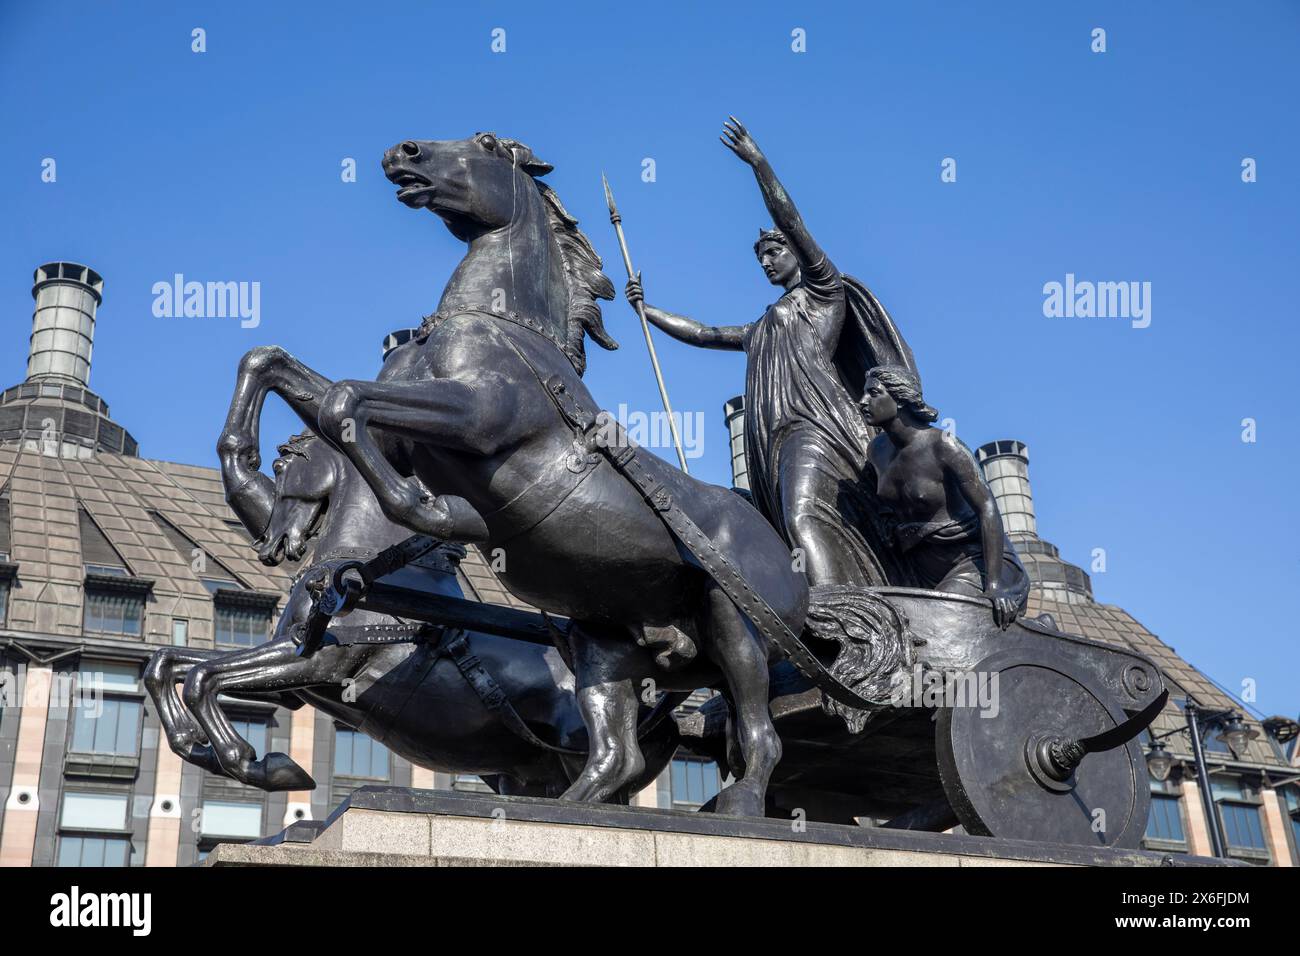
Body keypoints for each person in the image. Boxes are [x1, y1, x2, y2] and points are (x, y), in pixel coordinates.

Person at [625, 118, 917, 588]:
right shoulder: (761, 326)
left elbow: (792, 221)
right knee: (783, 528)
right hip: (771, 436)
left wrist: (758, 164)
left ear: (796, 255)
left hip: (817, 425)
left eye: (773, 252)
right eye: (759, 257)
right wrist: (646, 310)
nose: (765, 261)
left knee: (802, 517)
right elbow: (704, 333)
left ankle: (839, 612)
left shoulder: (824, 292)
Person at [859, 365, 1029, 628]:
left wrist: (994, 585)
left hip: (977, 563)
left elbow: (987, 508)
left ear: (901, 400)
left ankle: (1036, 627)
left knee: (940, 619)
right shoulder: (877, 452)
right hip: (922, 569)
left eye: (874, 394)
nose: (863, 401)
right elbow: (885, 507)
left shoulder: (944, 446)